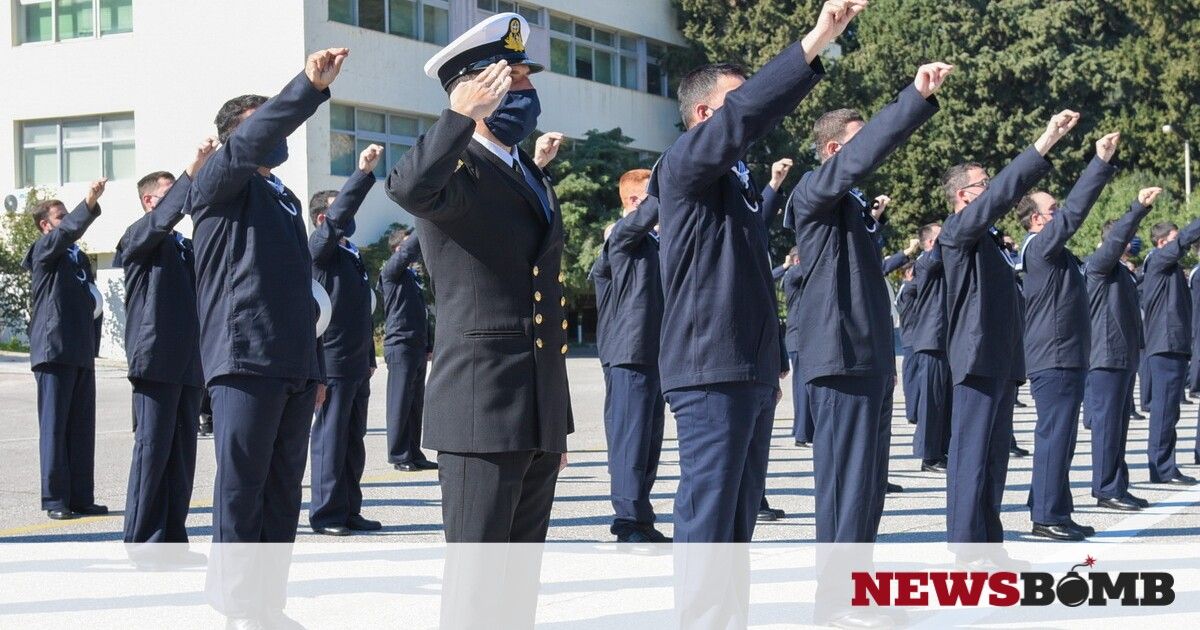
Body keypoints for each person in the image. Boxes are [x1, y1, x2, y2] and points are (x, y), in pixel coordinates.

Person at [651, 0, 865, 542]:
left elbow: (749, 282)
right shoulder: (684, 165)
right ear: (705, 117)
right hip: (709, 371)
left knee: (738, 525)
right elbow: (749, 111)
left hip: (746, 370)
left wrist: (770, 365)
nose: (748, 113)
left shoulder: (735, 181)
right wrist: (815, 41)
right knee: (710, 519)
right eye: (734, 102)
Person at [386, 13, 572, 542]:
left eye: (526, 78)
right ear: (475, 90)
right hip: (480, 408)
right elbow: (408, 191)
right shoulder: (456, 168)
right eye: (513, 79)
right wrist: (455, 117)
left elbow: (543, 298)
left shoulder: (526, 170)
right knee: (478, 581)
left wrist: (553, 422)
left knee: (517, 578)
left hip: (534, 411)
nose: (528, 91)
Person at [189, 48, 349, 544]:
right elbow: (251, 140)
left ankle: (265, 604)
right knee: (242, 491)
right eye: (267, 127)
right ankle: (238, 610)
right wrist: (306, 88)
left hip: (293, 362)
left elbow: (301, 289)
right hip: (245, 361)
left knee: (282, 495)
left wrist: (314, 366)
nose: (277, 137)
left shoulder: (283, 196)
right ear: (235, 137)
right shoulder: (219, 180)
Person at [789, 62, 950, 543]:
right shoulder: (812, 191)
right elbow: (859, 161)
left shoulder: (852, 206)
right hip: (839, 360)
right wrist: (914, 99)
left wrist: (886, 357)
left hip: (869, 358)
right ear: (835, 150)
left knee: (867, 488)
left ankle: (856, 590)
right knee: (845, 486)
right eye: (860, 141)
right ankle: (837, 600)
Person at [940, 110, 1079, 544]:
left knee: (994, 458)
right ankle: (967, 547)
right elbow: (1004, 193)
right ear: (965, 196)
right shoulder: (959, 229)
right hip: (976, 358)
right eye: (984, 183)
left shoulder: (990, 240)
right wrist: (1045, 141)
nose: (992, 188)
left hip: (1001, 359)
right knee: (971, 459)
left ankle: (988, 542)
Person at [1016, 132, 1120, 541]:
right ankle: (1046, 516)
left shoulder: (1057, 252)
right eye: (1052, 209)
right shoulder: (1039, 247)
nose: (1059, 213)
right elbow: (1076, 212)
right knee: (1055, 436)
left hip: (1066, 355)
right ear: (1038, 220)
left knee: (1061, 438)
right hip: (1054, 356)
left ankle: (1052, 506)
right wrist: (1100, 164)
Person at [115, 141, 214, 550]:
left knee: (181, 456)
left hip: (189, 362)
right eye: (169, 191)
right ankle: (142, 540)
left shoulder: (182, 245)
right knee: (153, 451)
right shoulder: (140, 236)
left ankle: (172, 536)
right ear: (149, 200)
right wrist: (191, 170)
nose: (180, 198)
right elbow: (163, 219)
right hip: (155, 359)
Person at [307, 144, 385, 536]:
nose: (350, 219)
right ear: (325, 218)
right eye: (343, 212)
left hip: (356, 361)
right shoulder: (319, 250)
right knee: (331, 440)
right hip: (332, 361)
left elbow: (359, 310)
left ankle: (350, 508)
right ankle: (326, 514)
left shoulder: (351, 255)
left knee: (354, 440)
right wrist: (362, 174)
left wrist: (370, 354)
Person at [591, 169, 671, 542]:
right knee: (630, 440)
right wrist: (671, 180)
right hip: (629, 352)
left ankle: (640, 516)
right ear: (636, 203)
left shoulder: (651, 243)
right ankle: (627, 520)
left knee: (648, 442)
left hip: (652, 353)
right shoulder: (621, 236)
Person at [23, 180, 109, 521]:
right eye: (61, 217)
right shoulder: (44, 250)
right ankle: (56, 499)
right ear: (46, 225)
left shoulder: (78, 258)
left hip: (80, 349)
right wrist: (87, 203)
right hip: (53, 349)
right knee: (55, 427)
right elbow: (65, 234)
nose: (66, 221)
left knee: (81, 427)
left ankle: (81, 497)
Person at [1085, 188, 1162, 512]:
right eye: (1125, 239)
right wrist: (1138, 208)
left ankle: (1118, 485)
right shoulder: (1101, 264)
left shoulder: (1121, 270)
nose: (1130, 244)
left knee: (1118, 427)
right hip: (1105, 358)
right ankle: (1105, 489)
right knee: (1107, 427)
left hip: (1121, 357)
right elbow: (1116, 242)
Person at [1141, 216, 1200, 485]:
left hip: (1172, 344)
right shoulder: (1158, 260)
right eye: (1175, 240)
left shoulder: (1168, 265)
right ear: (1163, 242)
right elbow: (1186, 239)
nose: (1183, 246)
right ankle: (1162, 468)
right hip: (1165, 345)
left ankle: (1165, 465)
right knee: (1164, 410)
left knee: (1170, 411)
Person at [380, 229, 436, 472]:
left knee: (415, 403)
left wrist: (428, 344)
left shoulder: (412, 277)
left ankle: (414, 452)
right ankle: (399, 455)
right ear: (396, 250)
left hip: (416, 345)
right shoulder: (391, 272)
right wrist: (423, 221)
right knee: (400, 402)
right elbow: (406, 253)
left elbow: (422, 313)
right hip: (400, 345)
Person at [908, 223, 952, 473]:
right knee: (931, 401)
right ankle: (928, 455)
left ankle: (941, 449)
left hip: (945, 339)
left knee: (945, 401)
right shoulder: (925, 262)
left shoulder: (941, 264)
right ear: (928, 243)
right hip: (931, 339)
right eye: (939, 237)